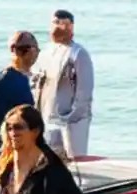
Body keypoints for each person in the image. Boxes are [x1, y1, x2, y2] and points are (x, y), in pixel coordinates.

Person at [32, 9, 93, 159]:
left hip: (69, 121)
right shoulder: (46, 52)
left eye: (65, 24)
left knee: (74, 165)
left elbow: (85, 92)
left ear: (72, 27)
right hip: (46, 118)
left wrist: (71, 117)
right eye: (56, 23)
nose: (60, 28)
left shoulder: (78, 53)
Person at [0, 31, 39, 166]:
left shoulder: (23, 79)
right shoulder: (6, 81)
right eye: (37, 50)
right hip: (8, 153)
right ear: (30, 51)